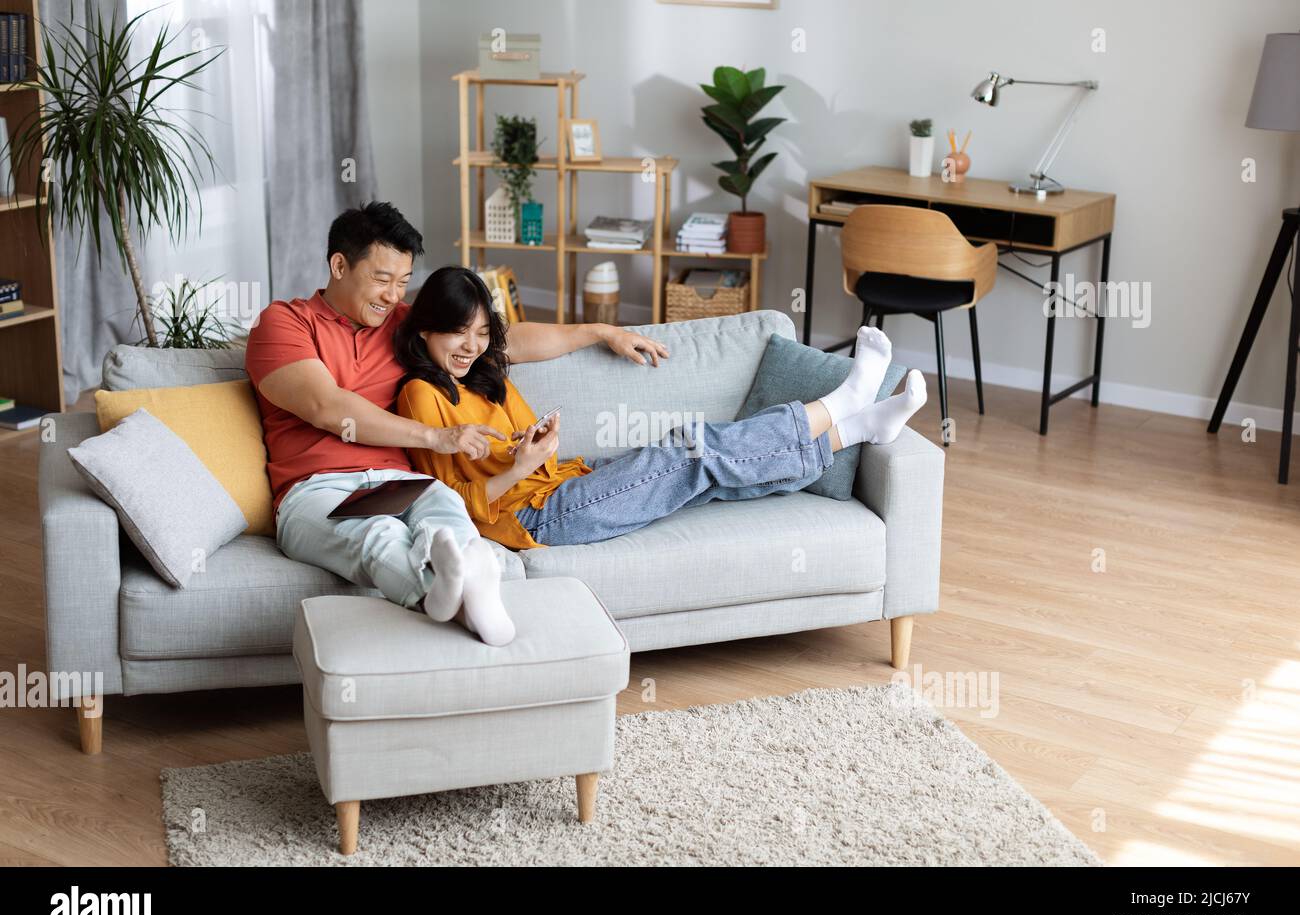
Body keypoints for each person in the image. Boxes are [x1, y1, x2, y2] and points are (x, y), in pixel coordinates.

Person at [244, 203, 668, 645]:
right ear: (338, 265)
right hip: (315, 490)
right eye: (382, 279)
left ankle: (469, 578)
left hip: (395, 479)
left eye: (403, 282)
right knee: (379, 533)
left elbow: (499, 340)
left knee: (441, 508)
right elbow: (325, 406)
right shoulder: (283, 323)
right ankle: (448, 595)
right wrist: (435, 436)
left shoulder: (401, 324)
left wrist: (601, 331)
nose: (393, 296)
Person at [394, 266, 928, 550]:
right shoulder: (421, 396)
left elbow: (536, 338)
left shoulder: (482, 367)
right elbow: (452, 505)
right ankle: (841, 405)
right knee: (691, 449)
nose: (471, 347)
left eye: (482, 334)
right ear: (425, 328)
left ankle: (857, 430)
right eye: (457, 333)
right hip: (538, 516)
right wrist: (520, 466)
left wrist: (602, 332)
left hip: (565, 479)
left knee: (714, 477)